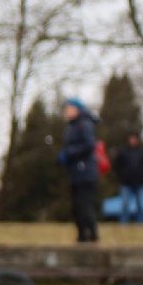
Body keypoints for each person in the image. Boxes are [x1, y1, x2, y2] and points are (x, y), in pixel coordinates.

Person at [58, 97, 100, 242]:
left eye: (69, 108)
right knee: (76, 206)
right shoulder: (71, 127)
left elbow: (89, 145)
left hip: (85, 172)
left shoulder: (84, 125)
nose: (66, 112)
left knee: (84, 204)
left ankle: (92, 234)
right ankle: (82, 235)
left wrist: (69, 153)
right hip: (75, 172)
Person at [111, 131, 143, 225]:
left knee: (140, 204)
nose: (132, 140)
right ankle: (124, 223)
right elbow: (117, 166)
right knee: (125, 204)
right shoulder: (122, 152)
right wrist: (121, 176)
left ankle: (141, 223)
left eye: (134, 138)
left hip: (140, 183)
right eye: (131, 138)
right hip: (126, 183)